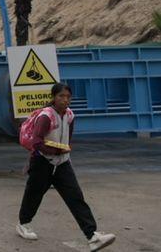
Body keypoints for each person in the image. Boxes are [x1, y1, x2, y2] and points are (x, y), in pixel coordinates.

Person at [17, 82, 116, 251]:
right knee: (34, 195)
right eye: (61, 96)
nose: (65, 100)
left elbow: (68, 137)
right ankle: (23, 224)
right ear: (53, 98)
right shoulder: (46, 116)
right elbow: (36, 141)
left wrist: (64, 151)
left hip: (63, 163)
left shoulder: (70, 115)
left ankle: (92, 236)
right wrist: (53, 151)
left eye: (68, 97)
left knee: (75, 197)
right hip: (42, 162)